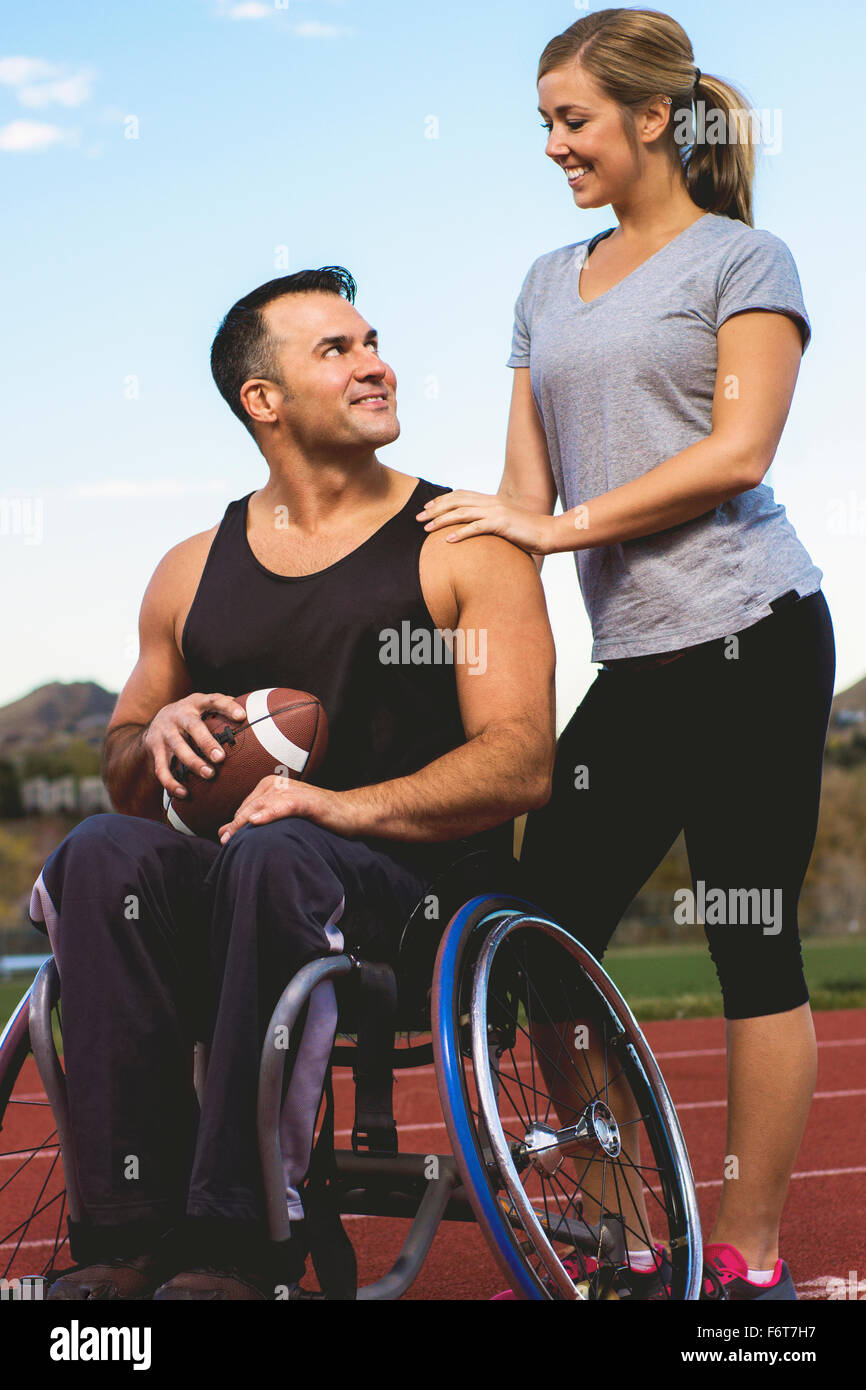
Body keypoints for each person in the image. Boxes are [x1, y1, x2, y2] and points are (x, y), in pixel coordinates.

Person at [29, 266, 556, 1300]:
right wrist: (155, 735)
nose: (376, 364)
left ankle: (241, 1244)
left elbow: (521, 759)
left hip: (414, 909)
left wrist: (335, 807)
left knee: (277, 849)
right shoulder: (191, 566)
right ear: (261, 401)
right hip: (242, 889)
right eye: (338, 350)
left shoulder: (462, 540)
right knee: (96, 849)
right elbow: (129, 767)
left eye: (372, 341)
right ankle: (126, 1235)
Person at [418, 10, 835, 1301]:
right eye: (543, 123)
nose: (553, 144)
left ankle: (749, 1250)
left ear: (652, 118)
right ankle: (618, 1233)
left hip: (753, 633)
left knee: (749, 938)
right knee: (546, 937)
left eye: (571, 119)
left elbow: (738, 453)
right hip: (635, 657)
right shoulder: (547, 280)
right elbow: (515, 495)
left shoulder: (742, 259)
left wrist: (559, 525)